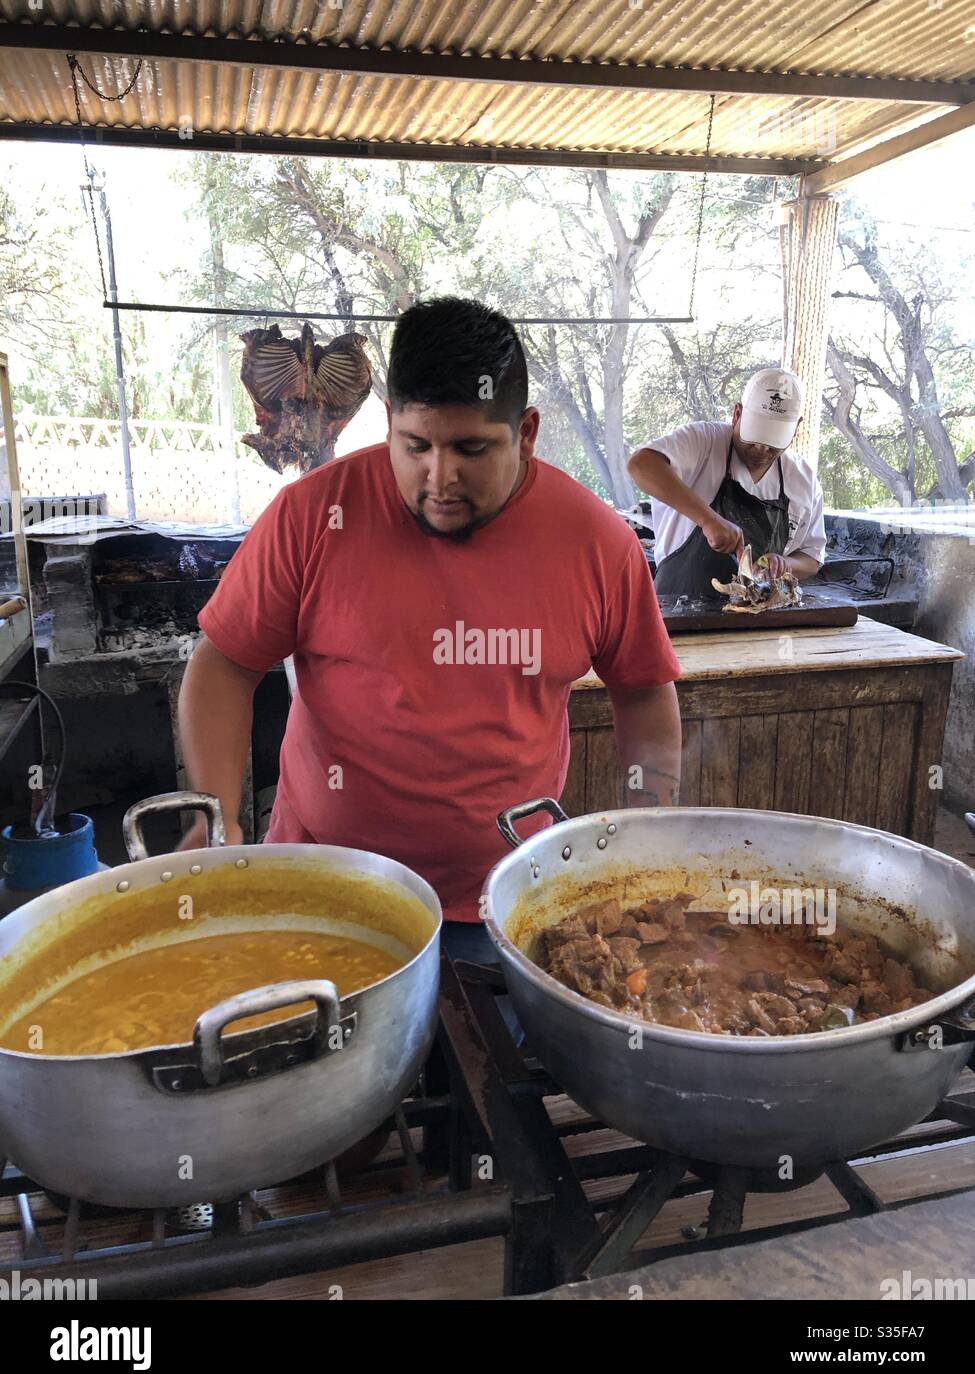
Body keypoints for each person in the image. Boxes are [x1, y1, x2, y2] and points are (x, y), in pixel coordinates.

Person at [178, 296, 682, 961]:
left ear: (525, 432)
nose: (438, 479)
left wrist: (645, 829)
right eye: (415, 446)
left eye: (471, 449)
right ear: (387, 422)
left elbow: (642, 689)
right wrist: (215, 815)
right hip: (322, 888)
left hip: (506, 901)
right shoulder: (310, 515)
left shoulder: (596, 542)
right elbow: (225, 664)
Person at [627, 368, 826, 597]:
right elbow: (640, 464)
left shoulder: (803, 480)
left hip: (760, 617)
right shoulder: (704, 442)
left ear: (796, 427)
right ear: (737, 414)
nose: (762, 448)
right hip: (680, 607)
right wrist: (708, 519)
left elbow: (812, 558)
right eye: (755, 436)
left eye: (773, 442)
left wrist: (783, 564)